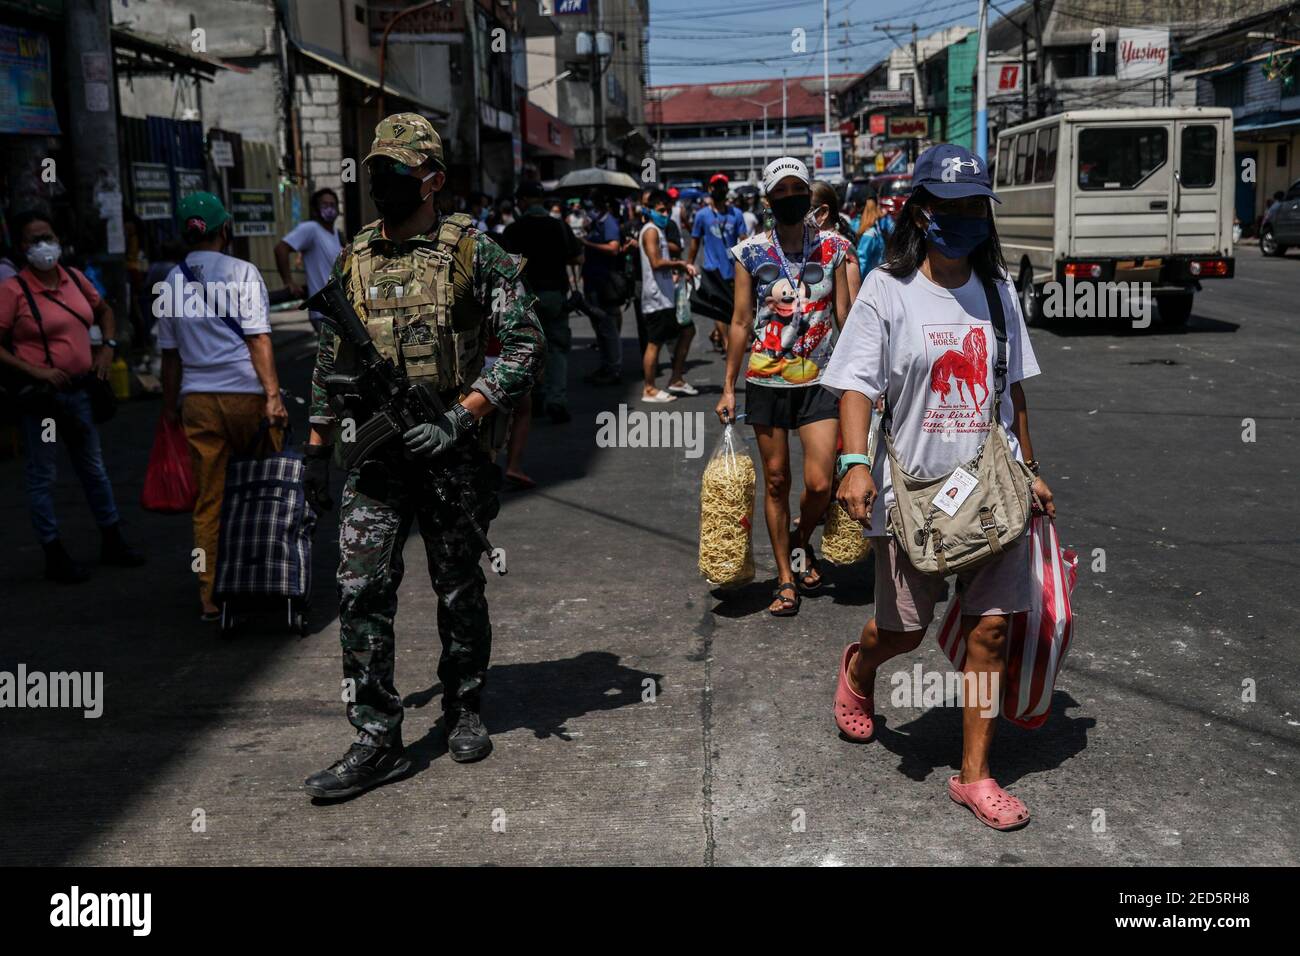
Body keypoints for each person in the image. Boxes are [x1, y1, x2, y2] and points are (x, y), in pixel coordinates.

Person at [301, 113, 544, 800]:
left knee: (458, 585)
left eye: (397, 172)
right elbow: (331, 355)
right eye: (375, 169)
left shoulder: (473, 252)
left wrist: (464, 415)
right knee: (360, 590)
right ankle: (375, 734)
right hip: (375, 456)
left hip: (452, 452)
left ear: (433, 180)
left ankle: (464, 702)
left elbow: (527, 343)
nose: (382, 182)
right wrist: (317, 448)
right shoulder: (355, 257)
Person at [822, 143, 1056, 831]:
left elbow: (1011, 393)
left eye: (973, 206)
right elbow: (858, 387)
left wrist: (1032, 471)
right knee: (905, 630)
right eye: (948, 207)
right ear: (920, 211)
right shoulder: (886, 291)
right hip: (915, 493)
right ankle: (862, 668)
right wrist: (853, 464)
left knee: (989, 635)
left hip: (992, 491)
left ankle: (975, 775)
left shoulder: (999, 291)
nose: (962, 218)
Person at [715, 158, 853, 616]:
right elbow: (739, 321)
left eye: (799, 189)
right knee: (777, 480)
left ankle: (799, 540)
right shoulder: (749, 253)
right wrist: (728, 387)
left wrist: (863, 380)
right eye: (783, 190)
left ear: (808, 194)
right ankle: (786, 577)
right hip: (766, 379)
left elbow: (845, 317)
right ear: (769, 198)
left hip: (821, 378)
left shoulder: (834, 247)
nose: (791, 196)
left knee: (819, 483)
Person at [157, 192, 288, 621]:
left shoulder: (170, 282)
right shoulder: (243, 271)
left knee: (208, 501)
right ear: (224, 230)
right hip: (246, 397)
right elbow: (258, 338)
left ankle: (209, 595)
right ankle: (267, 577)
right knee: (265, 490)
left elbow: (170, 357)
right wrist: (273, 395)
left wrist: (170, 408)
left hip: (197, 400)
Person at [0, 210, 145, 582]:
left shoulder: (75, 280)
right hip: (46, 400)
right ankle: (53, 551)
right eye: (34, 240)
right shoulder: (13, 290)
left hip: (81, 392)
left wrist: (108, 347)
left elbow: (104, 311)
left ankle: (112, 538)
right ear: (22, 248)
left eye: (47, 236)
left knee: (93, 468)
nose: (44, 246)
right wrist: (37, 371)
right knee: (43, 474)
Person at [501, 179, 583, 430]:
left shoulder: (513, 231)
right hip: (555, 296)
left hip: (524, 297)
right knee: (557, 348)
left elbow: (503, 267)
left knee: (528, 349)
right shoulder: (559, 227)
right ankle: (556, 399)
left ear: (523, 202)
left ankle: (534, 399)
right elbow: (577, 257)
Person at [638, 189, 698, 403]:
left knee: (687, 331)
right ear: (651, 210)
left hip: (666, 296)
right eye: (661, 210)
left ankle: (676, 378)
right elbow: (655, 263)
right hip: (656, 299)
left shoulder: (658, 230)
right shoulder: (651, 231)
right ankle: (649, 388)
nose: (665, 213)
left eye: (667, 210)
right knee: (654, 343)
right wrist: (680, 264)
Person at [690, 173, 749, 356]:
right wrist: (688, 265)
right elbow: (695, 242)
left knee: (732, 309)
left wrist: (750, 264)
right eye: (716, 186)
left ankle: (716, 334)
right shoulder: (702, 215)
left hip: (733, 270)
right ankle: (726, 343)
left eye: (723, 186)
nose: (720, 190)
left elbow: (743, 240)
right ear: (710, 189)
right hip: (711, 269)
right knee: (719, 308)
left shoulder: (736, 214)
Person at [275, 187, 343, 331]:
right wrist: (289, 282)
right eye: (324, 205)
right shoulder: (311, 229)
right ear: (315, 209)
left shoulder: (336, 234)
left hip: (339, 309)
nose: (329, 209)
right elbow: (281, 249)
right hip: (323, 312)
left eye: (332, 205)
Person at [579, 192, 626, 385]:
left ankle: (613, 368)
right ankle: (606, 365)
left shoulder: (609, 223)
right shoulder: (598, 223)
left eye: (594, 205)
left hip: (605, 283)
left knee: (607, 326)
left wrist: (587, 243)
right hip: (594, 281)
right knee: (599, 326)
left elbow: (614, 248)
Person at [811, 181, 862, 299]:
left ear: (823, 212)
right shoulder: (813, 243)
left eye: (807, 210)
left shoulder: (843, 249)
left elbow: (853, 304)